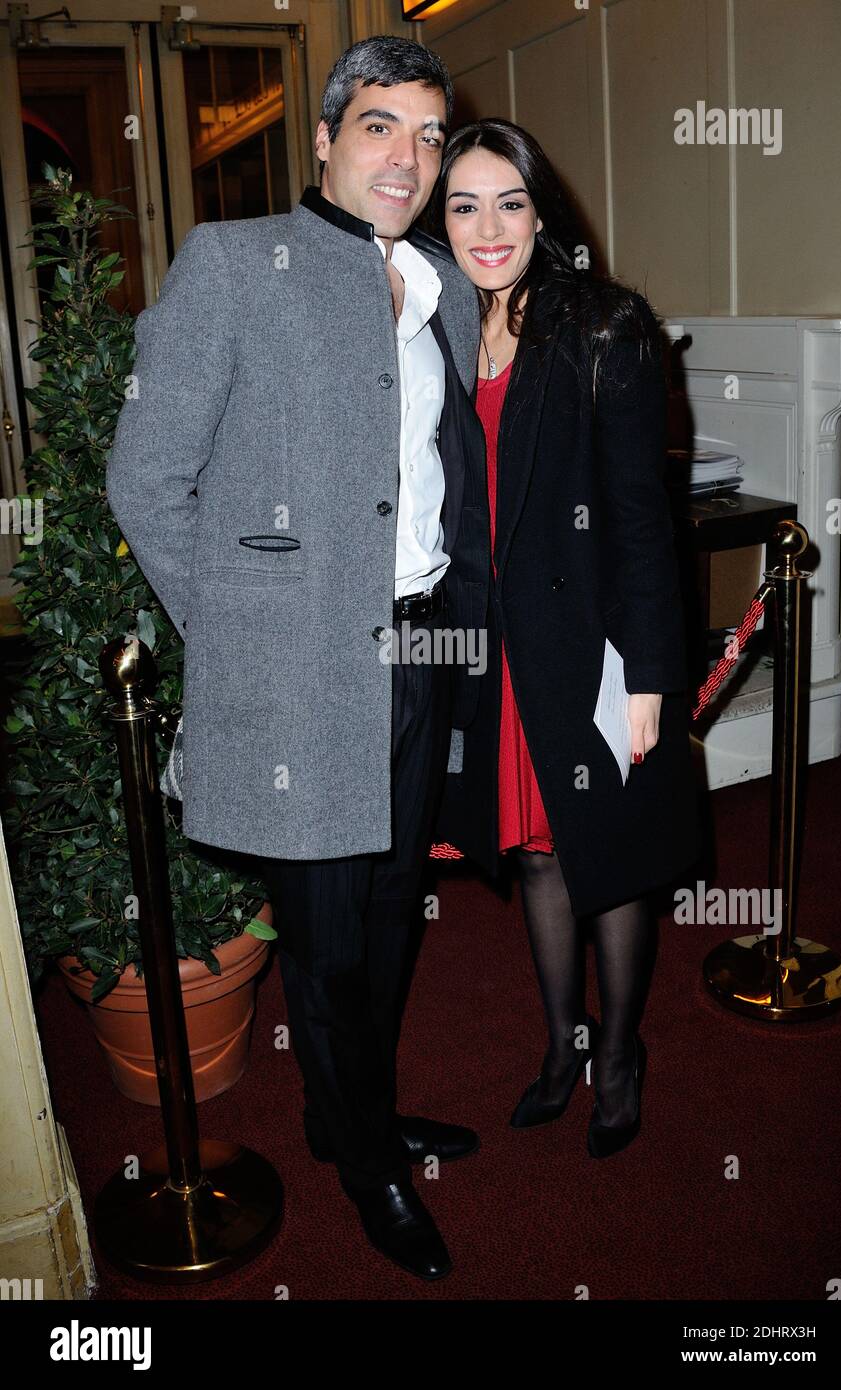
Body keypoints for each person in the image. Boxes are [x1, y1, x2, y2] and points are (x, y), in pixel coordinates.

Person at [106, 36, 491, 1282]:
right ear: (322, 138)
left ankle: (347, 1112)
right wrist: (241, 634)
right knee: (325, 940)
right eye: (382, 127)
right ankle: (368, 1160)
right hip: (298, 670)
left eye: (430, 135)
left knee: (391, 912)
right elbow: (147, 477)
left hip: (417, 645)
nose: (410, 157)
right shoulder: (233, 265)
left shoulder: (441, 282)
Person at [430, 118, 702, 1158]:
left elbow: (643, 518)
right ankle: (562, 1045)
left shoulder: (601, 323)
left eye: (507, 201)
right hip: (495, 650)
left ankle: (620, 1057)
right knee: (537, 856)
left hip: (587, 651)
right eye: (463, 204)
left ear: (542, 211)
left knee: (610, 859)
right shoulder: (446, 328)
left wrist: (645, 677)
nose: (486, 226)